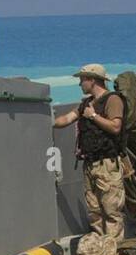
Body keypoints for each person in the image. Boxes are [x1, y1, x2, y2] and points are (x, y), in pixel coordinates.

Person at [53, 63, 130, 238]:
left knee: (111, 212)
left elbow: (116, 126)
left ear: (92, 80)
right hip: (90, 165)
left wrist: (93, 116)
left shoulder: (113, 100)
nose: (80, 84)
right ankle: (99, 252)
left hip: (107, 165)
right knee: (94, 212)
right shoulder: (86, 104)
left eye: (82, 80)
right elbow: (67, 119)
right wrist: (47, 121)